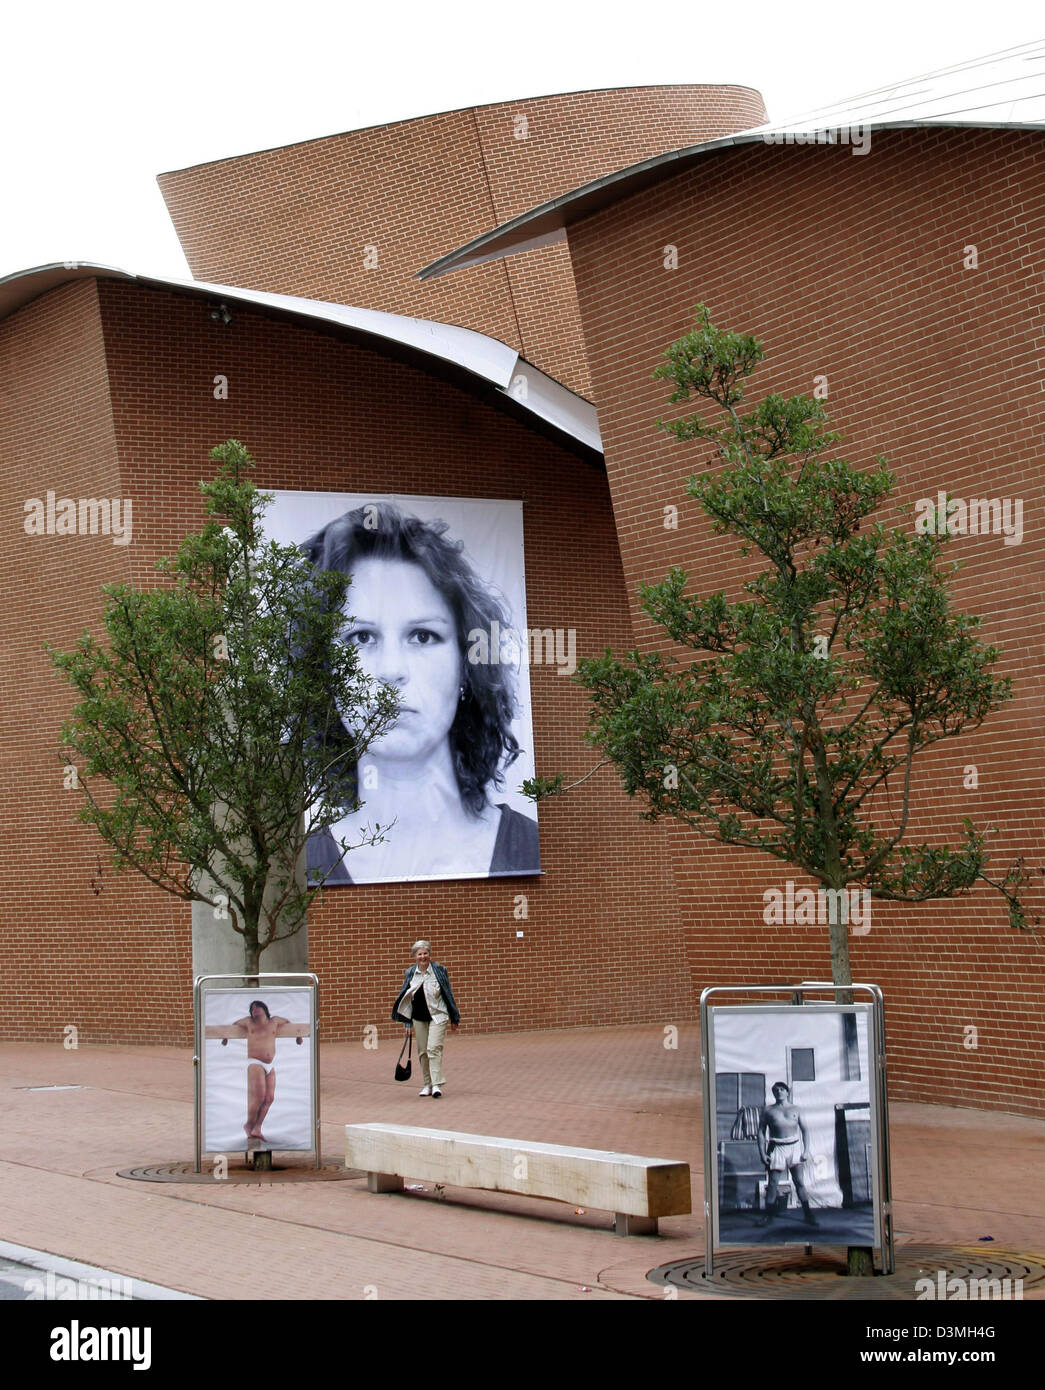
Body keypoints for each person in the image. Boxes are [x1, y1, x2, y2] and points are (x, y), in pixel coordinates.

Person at [299, 503, 539, 885]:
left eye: (423, 636)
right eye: (361, 637)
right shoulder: (297, 867)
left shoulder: (529, 847)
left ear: (466, 665)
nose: (392, 670)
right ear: (324, 671)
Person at [206, 1000, 306, 1142]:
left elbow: (290, 1023)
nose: (254, 1010)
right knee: (259, 1097)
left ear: (264, 1009)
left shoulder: (274, 1021)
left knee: (270, 1098)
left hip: (270, 1064)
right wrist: (225, 1038)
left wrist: (299, 1037)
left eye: (257, 1007)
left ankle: (257, 1127)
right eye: (252, 1009)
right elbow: (233, 1025)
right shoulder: (248, 1022)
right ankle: (248, 1124)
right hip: (255, 1062)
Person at [392, 940, 460, 1098]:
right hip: (418, 1017)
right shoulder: (410, 973)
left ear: (429, 954)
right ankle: (427, 1084)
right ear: (415, 956)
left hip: (438, 1015)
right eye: (419, 954)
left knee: (433, 1049)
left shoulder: (439, 970)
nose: (423, 957)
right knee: (422, 1052)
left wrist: (454, 1018)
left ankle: (437, 1084)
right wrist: (406, 1022)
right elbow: (406, 998)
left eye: (425, 953)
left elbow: (448, 994)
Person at [756, 1081, 817, 1227]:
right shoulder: (768, 1110)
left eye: (782, 1089)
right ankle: (768, 1216)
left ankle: (808, 1215)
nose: (779, 1092)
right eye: (776, 1090)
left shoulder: (796, 1109)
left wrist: (806, 1150)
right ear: (773, 1093)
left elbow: (805, 1130)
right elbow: (760, 1133)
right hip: (776, 1147)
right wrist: (762, 1153)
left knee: (799, 1182)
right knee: (772, 1183)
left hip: (794, 1147)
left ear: (787, 1092)